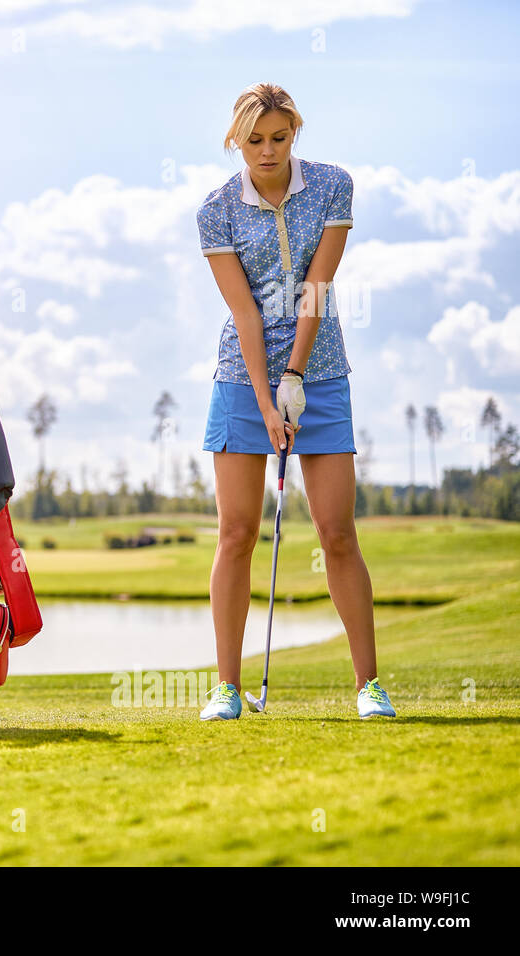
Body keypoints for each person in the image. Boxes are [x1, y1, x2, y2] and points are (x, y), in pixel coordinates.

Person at [194, 82, 395, 721]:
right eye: (254, 141)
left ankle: (368, 686)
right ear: (236, 140)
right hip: (240, 379)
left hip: (323, 373)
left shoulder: (333, 185)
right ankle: (226, 688)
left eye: (279, 138)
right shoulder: (217, 209)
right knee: (236, 533)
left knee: (337, 532)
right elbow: (245, 313)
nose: (268, 151)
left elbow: (317, 288)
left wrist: (298, 377)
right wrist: (265, 395)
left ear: (294, 134)